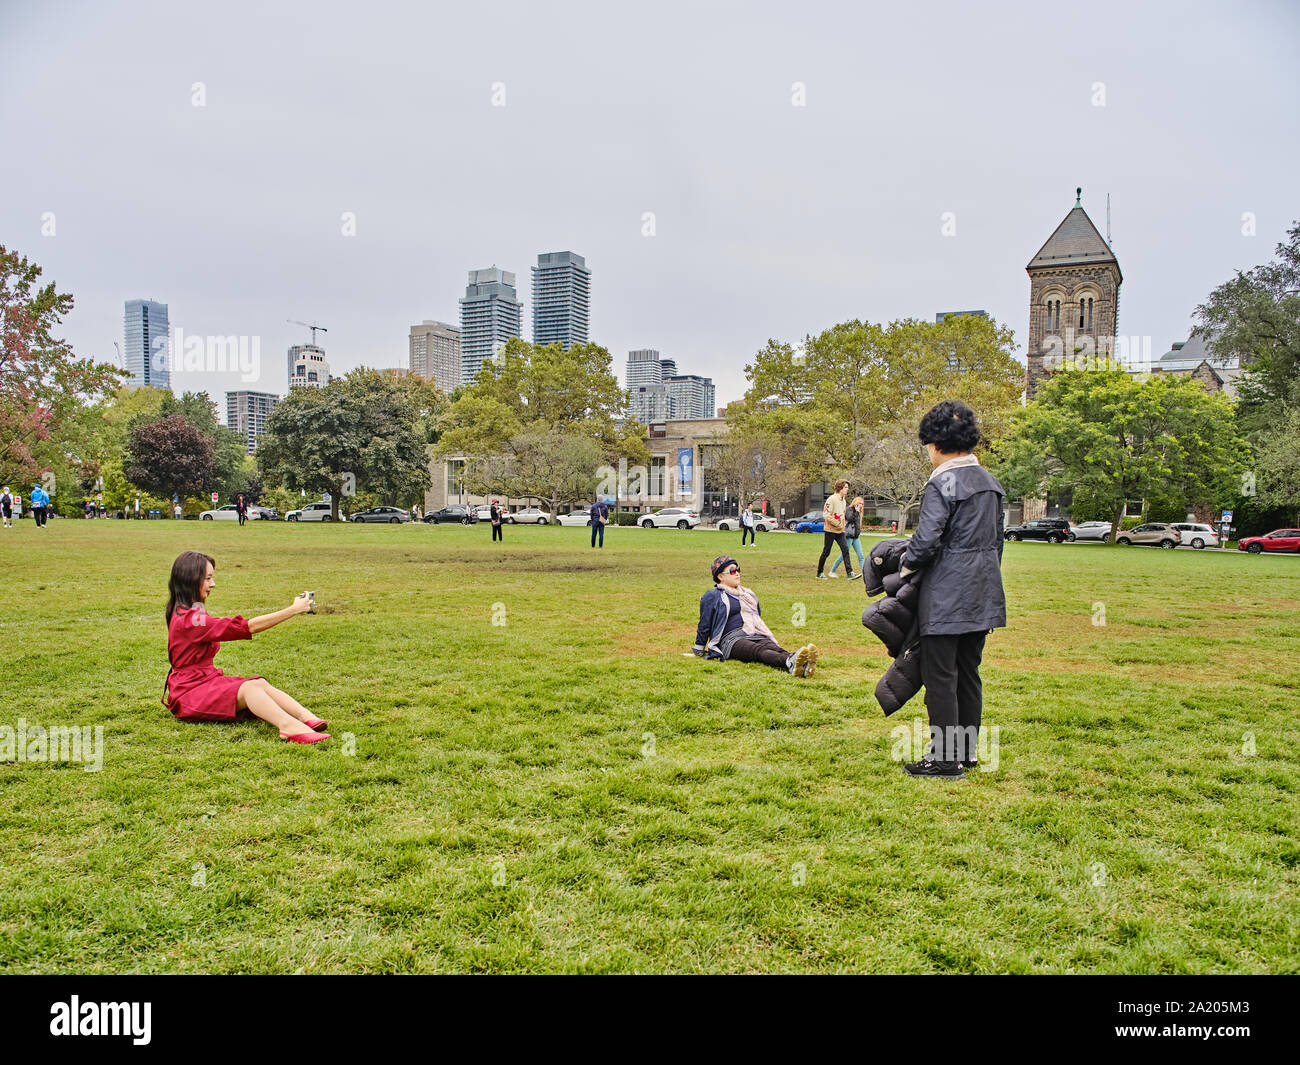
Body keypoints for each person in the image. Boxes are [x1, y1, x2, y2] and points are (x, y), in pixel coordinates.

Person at [898, 400, 1006, 779]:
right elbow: (997, 543)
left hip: (946, 594)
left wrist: (905, 566)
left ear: (938, 443)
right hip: (984, 590)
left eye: (927, 444)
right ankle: (966, 753)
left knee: (940, 675)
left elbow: (926, 541)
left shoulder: (941, 482)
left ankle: (944, 760)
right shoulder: (991, 483)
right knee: (968, 672)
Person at [162, 551, 329, 744]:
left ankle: (305, 717)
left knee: (259, 683)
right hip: (189, 694)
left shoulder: (187, 609)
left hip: (203, 682)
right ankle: (288, 726)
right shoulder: (192, 620)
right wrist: (293, 610)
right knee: (250, 689)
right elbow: (246, 627)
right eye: (208, 578)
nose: (213, 584)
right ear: (190, 579)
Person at [694, 555, 819, 676]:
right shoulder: (713, 596)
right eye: (732, 571)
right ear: (720, 576)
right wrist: (699, 650)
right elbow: (704, 624)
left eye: (738, 569)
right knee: (758, 651)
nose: (737, 573)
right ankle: (789, 662)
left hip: (753, 633)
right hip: (731, 640)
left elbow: (756, 616)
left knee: (772, 646)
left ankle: (801, 664)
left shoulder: (748, 594)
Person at [815, 480, 858, 580]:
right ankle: (819, 573)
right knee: (826, 552)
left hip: (840, 531)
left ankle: (850, 573)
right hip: (830, 530)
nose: (847, 489)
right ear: (840, 488)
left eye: (847, 487)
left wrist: (842, 525)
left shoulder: (843, 500)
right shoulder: (832, 499)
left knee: (845, 550)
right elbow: (826, 515)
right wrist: (837, 523)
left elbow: (842, 515)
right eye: (846, 487)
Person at [830, 497, 867, 577]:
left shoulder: (859, 513)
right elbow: (849, 519)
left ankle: (865, 574)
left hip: (856, 537)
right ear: (855, 502)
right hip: (849, 536)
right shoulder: (849, 509)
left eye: (862, 504)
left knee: (860, 555)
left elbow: (857, 525)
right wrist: (856, 512)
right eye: (859, 503)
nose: (860, 505)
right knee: (844, 555)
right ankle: (832, 571)